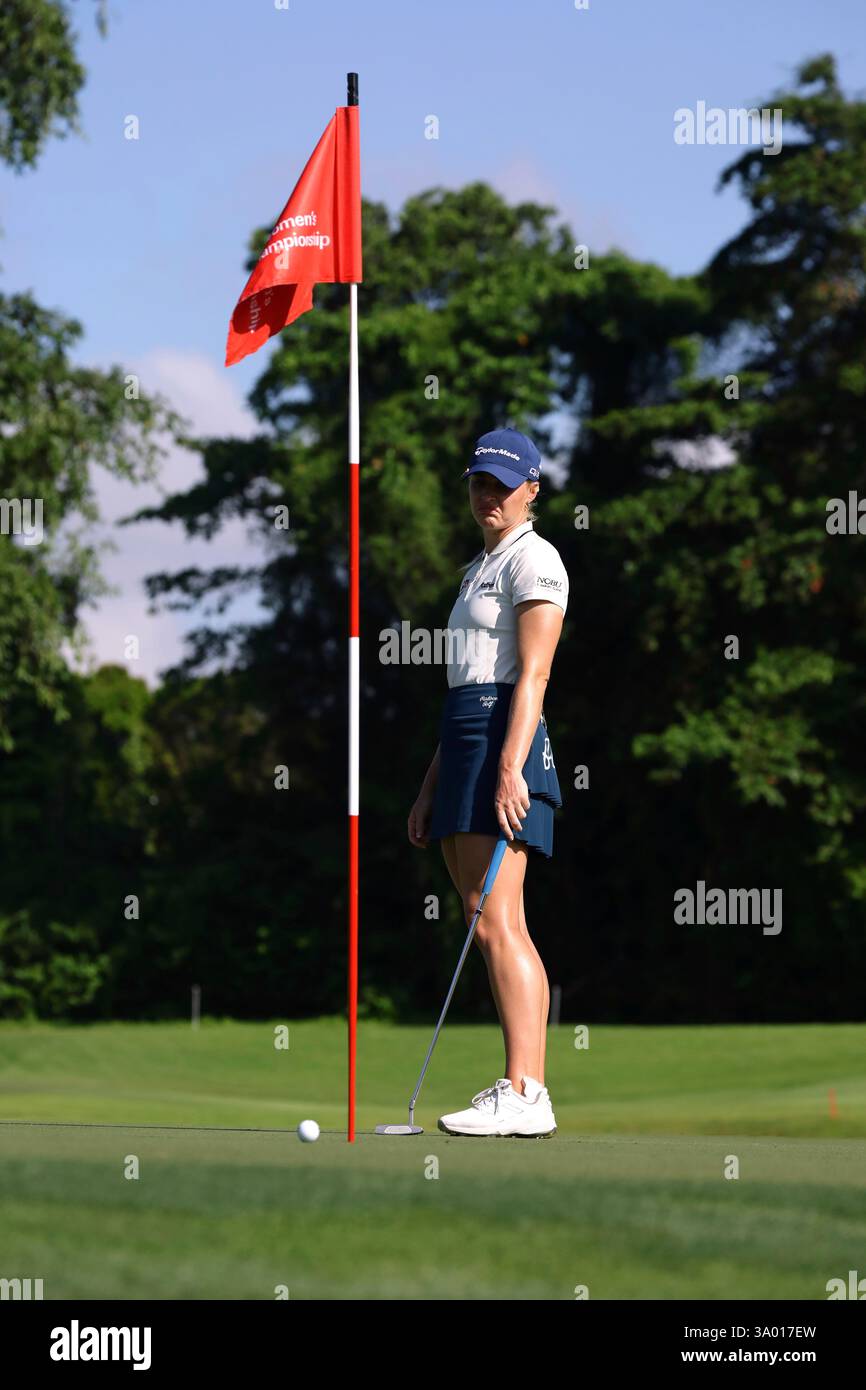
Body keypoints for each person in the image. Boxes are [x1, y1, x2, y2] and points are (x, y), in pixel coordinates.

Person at [407, 426, 568, 1137]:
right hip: (465, 733)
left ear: (532, 489)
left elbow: (532, 673)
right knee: (480, 912)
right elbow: (463, 678)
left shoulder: (537, 561)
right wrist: (431, 782)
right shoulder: (478, 568)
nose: (487, 496)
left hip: (507, 732)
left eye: (501, 485)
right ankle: (520, 1086)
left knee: (501, 919)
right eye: (478, 483)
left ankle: (526, 1090)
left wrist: (511, 765)